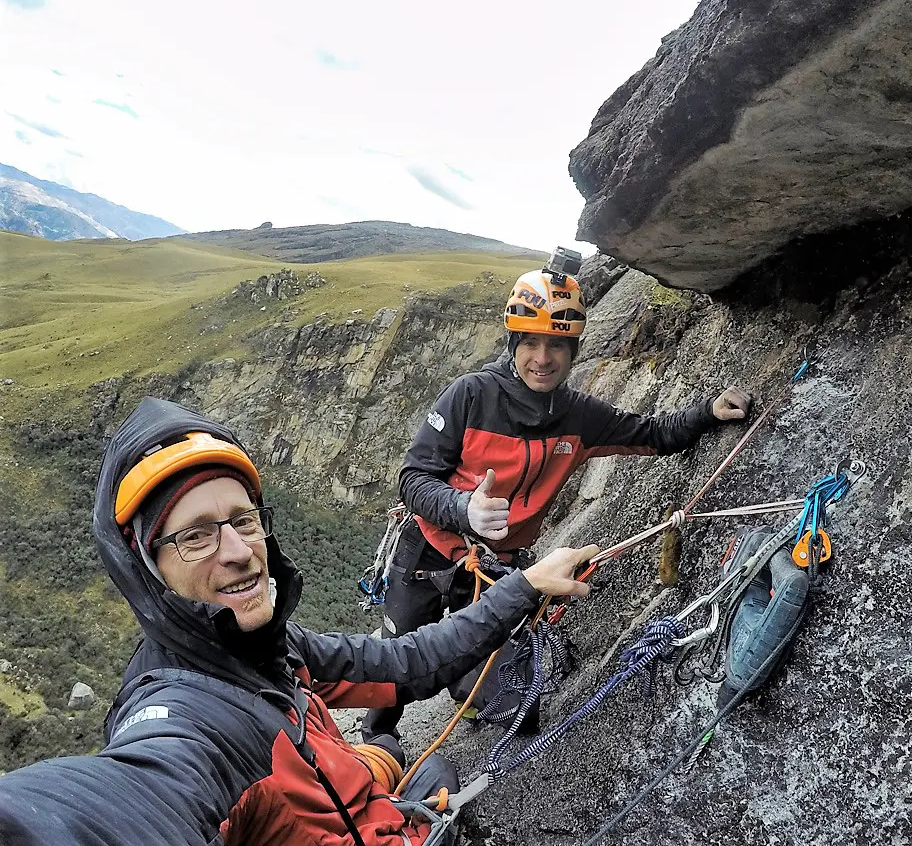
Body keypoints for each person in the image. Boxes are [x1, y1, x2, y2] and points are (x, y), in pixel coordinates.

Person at [0, 396, 599, 845]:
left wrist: (524, 585)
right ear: (149, 571)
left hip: (355, 816)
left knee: (406, 754)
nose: (237, 551)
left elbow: (408, 663)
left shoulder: (269, 646)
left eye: (242, 519)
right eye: (194, 536)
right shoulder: (186, 717)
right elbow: (114, 805)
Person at [362, 253, 751, 740]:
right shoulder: (469, 396)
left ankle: (467, 691)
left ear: (574, 350)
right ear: (514, 342)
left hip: (495, 569)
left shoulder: (579, 417)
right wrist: (465, 509)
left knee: (515, 710)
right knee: (393, 671)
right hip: (427, 553)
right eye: (531, 343)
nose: (542, 359)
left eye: (557, 346)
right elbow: (414, 478)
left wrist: (709, 412)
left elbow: (654, 434)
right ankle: (376, 747)